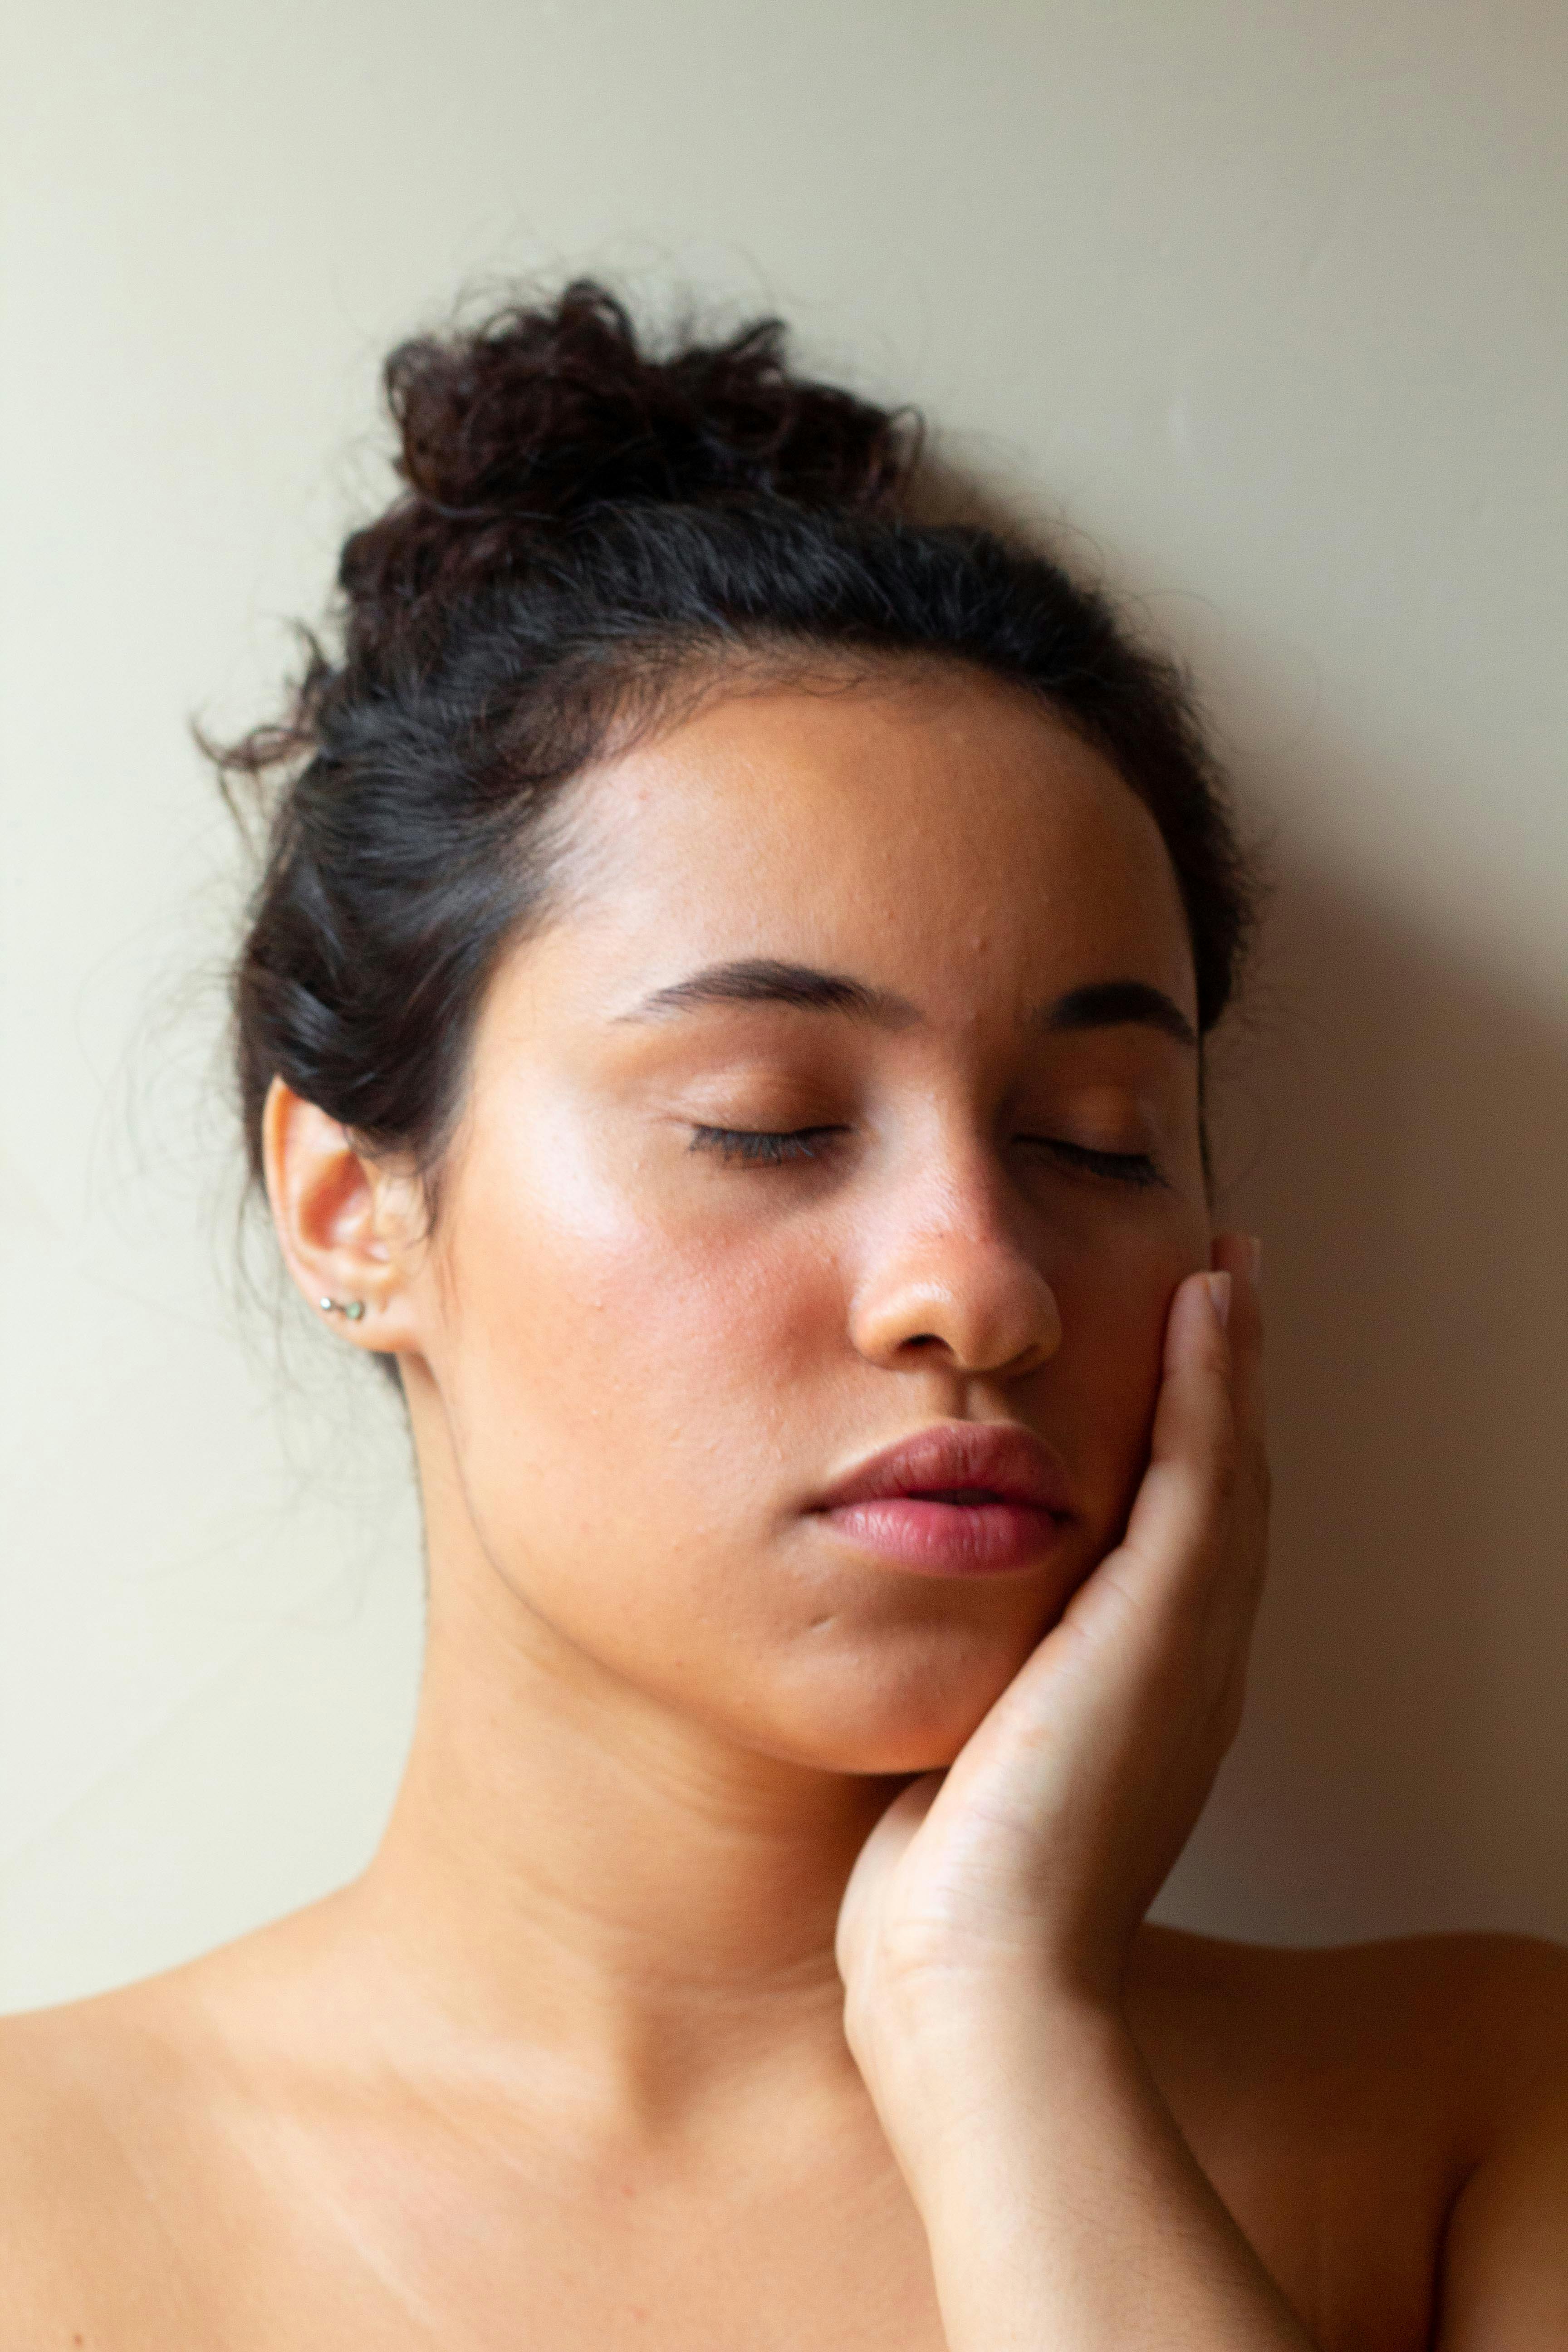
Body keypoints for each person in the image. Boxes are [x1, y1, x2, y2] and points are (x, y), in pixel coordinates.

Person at [3, 281, 1564, 2350]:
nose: (980, 1285)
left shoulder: (1483, 2124)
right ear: (355, 1207)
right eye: (765, 1122)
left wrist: (994, 2013)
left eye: (1100, 1141)